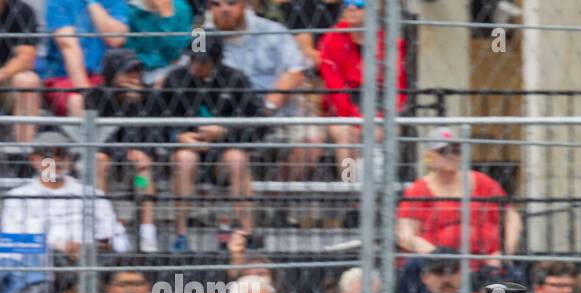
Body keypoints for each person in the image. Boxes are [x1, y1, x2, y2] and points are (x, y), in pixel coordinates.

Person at [157, 37, 263, 251]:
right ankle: (181, 235)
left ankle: (246, 232)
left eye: (202, 61)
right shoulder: (175, 80)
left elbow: (258, 124)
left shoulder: (235, 80)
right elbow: (154, 122)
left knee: (237, 159)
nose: (195, 66)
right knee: (185, 159)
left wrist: (224, 131)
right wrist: (178, 137)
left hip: (223, 154)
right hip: (188, 153)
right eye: (192, 60)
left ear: (216, 61)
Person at [206, 0, 319, 191]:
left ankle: (273, 198)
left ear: (244, 5)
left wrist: (268, 107)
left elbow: (295, 71)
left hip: (274, 114)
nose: (224, 9)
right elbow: (192, 68)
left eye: (231, 3)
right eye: (216, 4)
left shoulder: (273, 30)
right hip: (225, 118)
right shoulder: (201, 34)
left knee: (313, 142)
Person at [396, 127, 522, 266]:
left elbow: (512, 218)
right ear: (430, 155)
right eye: (444, 151)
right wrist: (439, 256)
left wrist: (503, 254)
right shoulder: (418, 189)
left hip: (487, 265)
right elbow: (405, 235)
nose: (452, 155)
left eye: (457, 150)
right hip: (438, 268)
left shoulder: (482, 182)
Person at [1, 130, 125, 258]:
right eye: (49, 155)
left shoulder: (93, 195)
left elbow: (119, 242)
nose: (56, 159)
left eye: (62, 153)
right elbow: (10, 244)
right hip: (37, 269)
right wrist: (57, 246)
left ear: (69, 159)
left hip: (86, 265)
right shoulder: (17, 197)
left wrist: (89, 247)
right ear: (33, 160)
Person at [319, 0, 407, 178]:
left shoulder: (390, 43)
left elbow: (398, 86)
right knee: (345, 134)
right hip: (343, 109)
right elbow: (335, 88)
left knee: (388, 131)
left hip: (380, 106)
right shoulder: (331, 40)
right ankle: (351, 188)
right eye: (347, 2)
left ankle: (381, 191)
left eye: (359, 3)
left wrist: (381, 118)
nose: (352, 7)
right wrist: (357, 120)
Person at [86, 48, 160, 252]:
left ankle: (147, 231)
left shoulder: (147, 97)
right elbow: (95, 140)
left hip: (133, 171)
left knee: (143, 169)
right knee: (100, 161)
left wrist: (133, 103)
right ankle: (109, 226)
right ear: (112, 74)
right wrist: (122, 150)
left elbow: (153, 137)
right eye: (129, 72)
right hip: (106, 164)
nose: (135, 76)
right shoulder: (95, 97)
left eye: (137, 71)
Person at [38, 0, 130, 117]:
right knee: (78, 101)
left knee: (131, 92)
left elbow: (116, 39)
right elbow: (68, 47)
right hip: (65, 78)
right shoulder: (57, 2)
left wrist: (92, 3)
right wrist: (87, 94)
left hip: (105, 78)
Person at [0, 0, 39, 148]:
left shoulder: (21, 10)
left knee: (27, 81)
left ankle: (23, 152)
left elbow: (26, 57)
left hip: (8, 79)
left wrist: (2, 74)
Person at [126, 0, 193, 85]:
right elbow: (129, 49)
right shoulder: (133, 9)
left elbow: (175, 53)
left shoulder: (181, 8)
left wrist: (166, 16)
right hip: (141, 70)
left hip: (172, 70)